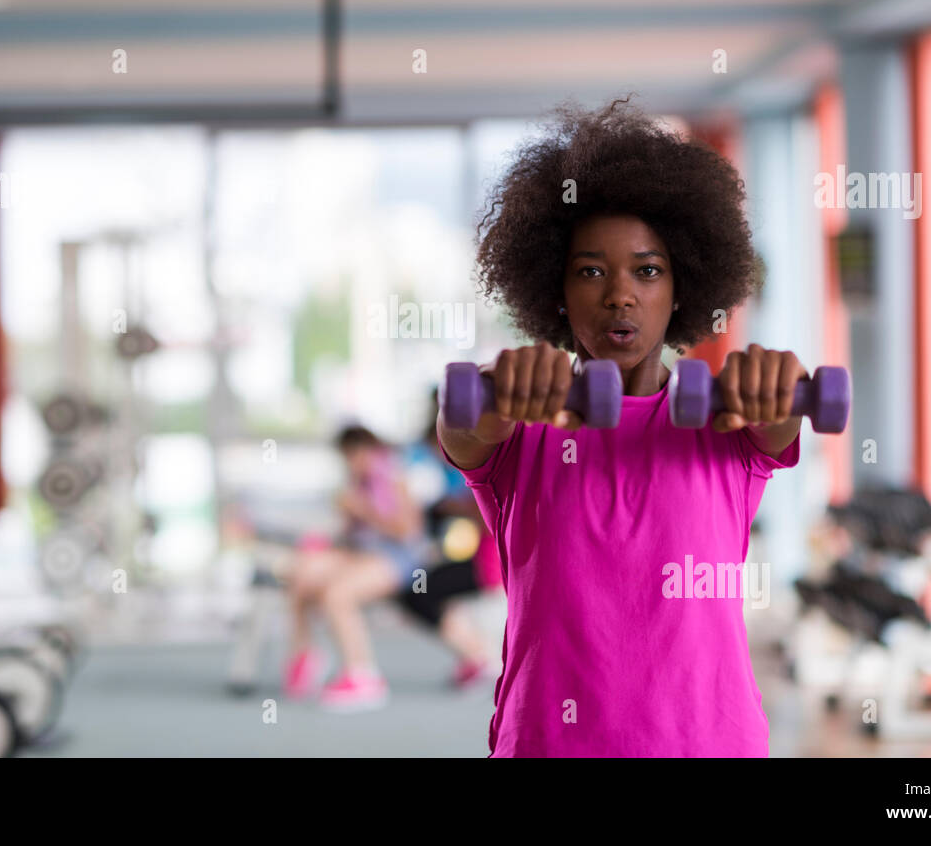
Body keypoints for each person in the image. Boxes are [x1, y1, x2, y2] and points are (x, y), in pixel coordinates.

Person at [436, 95, 805, 757]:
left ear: (682, 286)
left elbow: (780, 423)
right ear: (555, 289)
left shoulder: (728, 419)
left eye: (647, 270)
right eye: (590, 272)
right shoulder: (521, 425)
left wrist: (778, 382)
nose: (620, 294)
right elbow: (462, 424)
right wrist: (503, 387)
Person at [283, 425, 427, 710]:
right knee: (302, 571)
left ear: (368, 451)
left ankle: (363, 677)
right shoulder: (355, 480)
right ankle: (306, 655)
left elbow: (407, 531)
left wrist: (363, 511)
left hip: (400, 559)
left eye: (352, 455)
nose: (350, 462)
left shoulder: (394, 477)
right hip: (361, 553)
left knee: (337, 594)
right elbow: (353, 536)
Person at [397, 391, 503, 689]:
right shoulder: (430, 463)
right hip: (467, 552)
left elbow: (485, 516)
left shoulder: (480, 459)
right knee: (420, 589)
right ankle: (477, 654)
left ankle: (480, 655)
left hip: (488, 561)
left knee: (418, 592)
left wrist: (448, 504)